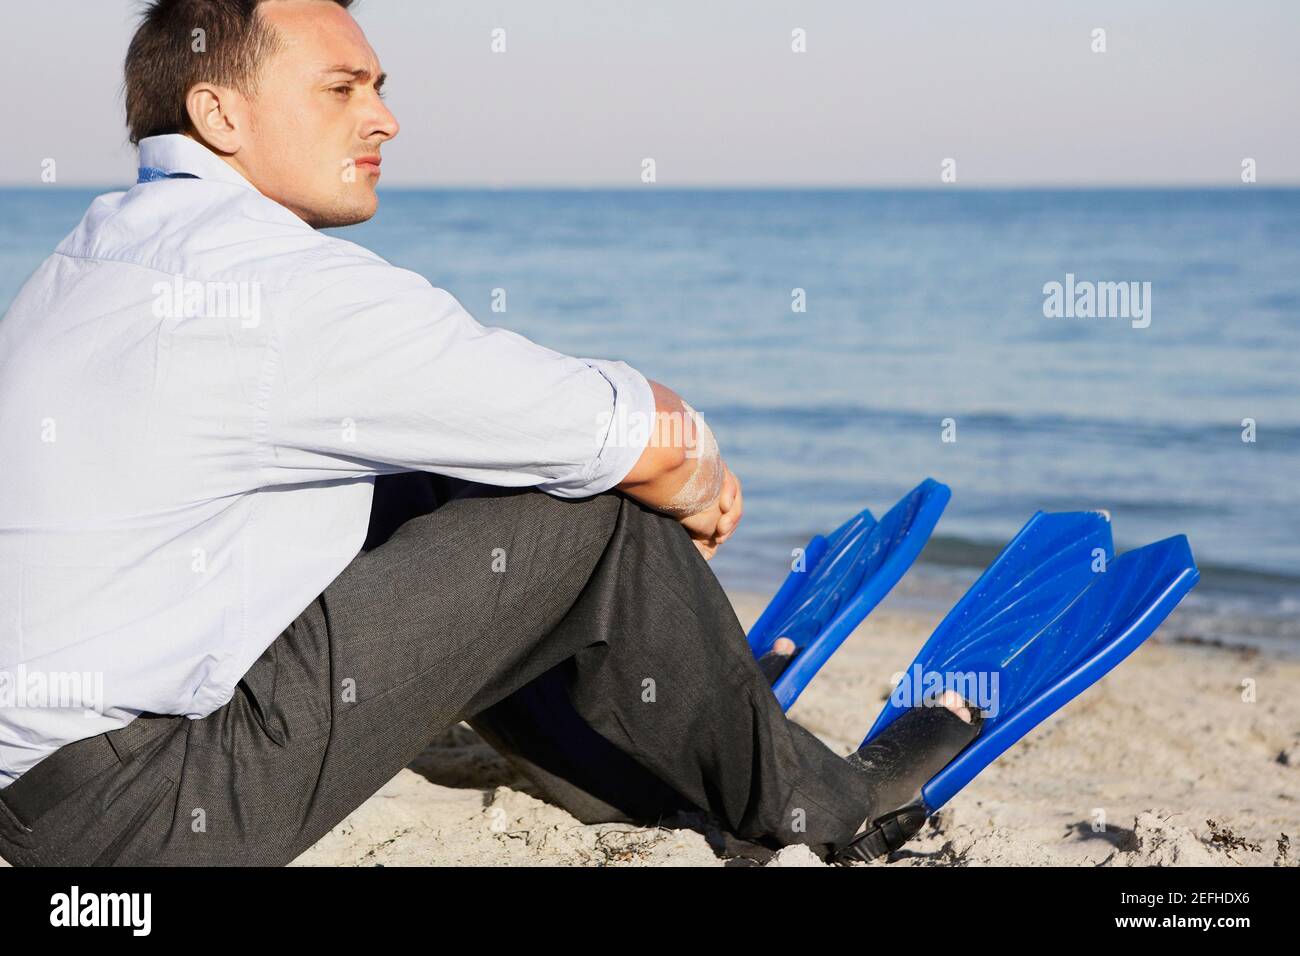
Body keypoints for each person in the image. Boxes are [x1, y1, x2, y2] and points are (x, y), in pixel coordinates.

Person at [0, 0, 972, 867]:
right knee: (586, 507)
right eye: (341, 89)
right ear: (219, 115)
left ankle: (641, 736)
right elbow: (630, 428)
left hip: (39, 789)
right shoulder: (279, 286)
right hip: (141, 811)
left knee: (421, 473)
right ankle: (831, 810)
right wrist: (695, 481)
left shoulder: (99, 250)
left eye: (379, 88)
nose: (383, 117)